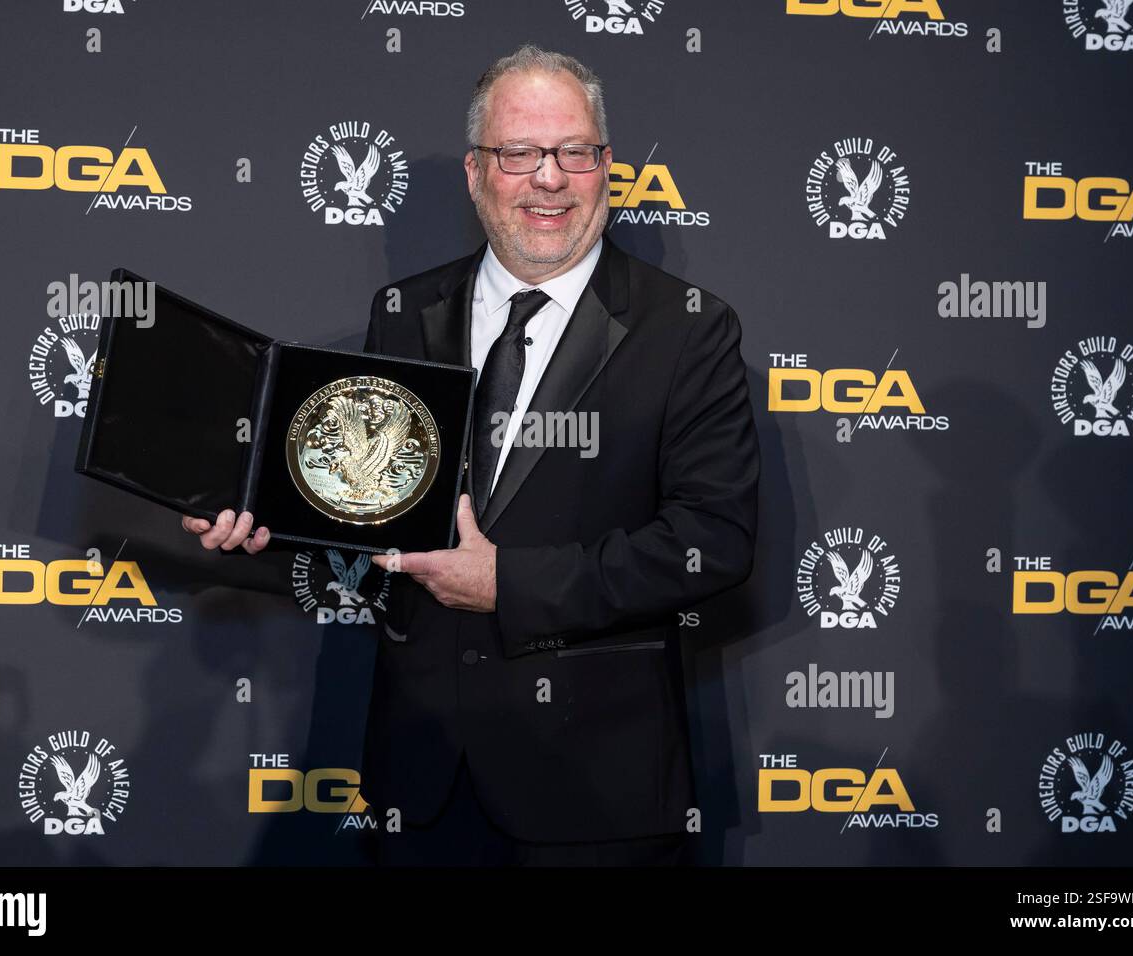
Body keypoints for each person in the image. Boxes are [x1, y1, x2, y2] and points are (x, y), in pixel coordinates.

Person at [183, 44, 760, 866]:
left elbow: (713, 541)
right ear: (475, 172)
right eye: (519, 153)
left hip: (595, 793)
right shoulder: (407, 309)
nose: (549, 179)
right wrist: (273, 515)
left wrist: (509, 583)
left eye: (574, 152)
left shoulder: (688, 327)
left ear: (606, 167)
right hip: (418, 782)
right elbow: (373, 504)